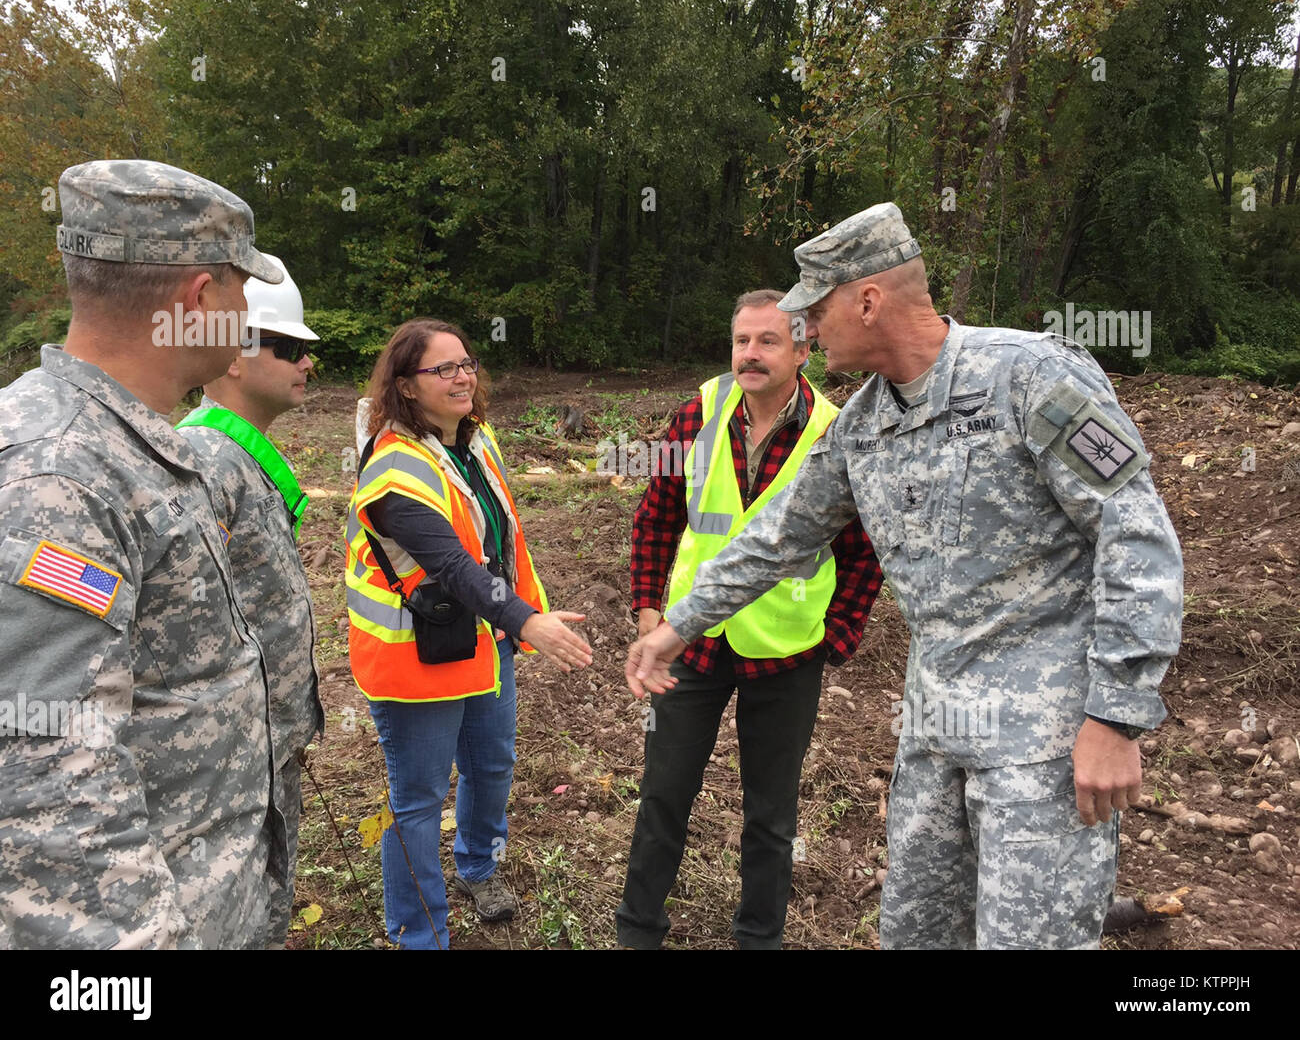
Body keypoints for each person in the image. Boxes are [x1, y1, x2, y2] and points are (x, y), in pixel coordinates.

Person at [629, 203, 1184, 950]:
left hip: (1044, 744)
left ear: (867, 300)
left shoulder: (1030, 377)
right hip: (933, 734)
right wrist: (677, 626)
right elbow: (773, 539)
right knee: (918, 933)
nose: (807, 330)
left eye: (814, 311)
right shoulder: (864, 425)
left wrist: (1117, 715)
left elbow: (1136, 535)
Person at [0, 159, 286, 949]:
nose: (243, 314)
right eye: (240, 291)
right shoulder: (55, 473)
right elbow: (49, 807)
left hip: (218, 898)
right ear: (199, 299)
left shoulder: (133, 443)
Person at [617, 290, 883, 950]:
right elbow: (656, 516)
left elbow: (864, 552)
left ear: (803, 349)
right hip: (692, 644)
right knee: (663, 795)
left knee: (771, 816)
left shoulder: (835, 431)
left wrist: (835, 637)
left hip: (787, 654)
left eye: (767, 341)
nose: (750, 354)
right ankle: (637, 931)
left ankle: (758, 938)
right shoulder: (699, 414)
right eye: (741, 341)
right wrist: (651, 616)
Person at [346, 318, 593, 950]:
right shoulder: (393, 469)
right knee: (419, 799)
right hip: (416, 661)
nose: (462, 377)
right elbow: (451, 564)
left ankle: (478, 865)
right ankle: (419, 932)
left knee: (491, 765)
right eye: (442, 369)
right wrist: (526, 619)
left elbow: (501, 546)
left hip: (484, 646)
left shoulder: (475, 444)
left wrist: (514, 625)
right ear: (405, 385)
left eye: (467, 364)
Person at [176, 254, 325, 948]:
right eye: (288, 347)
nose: (306, 363)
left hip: (265, 749)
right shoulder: (206, 461)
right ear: (234, 355)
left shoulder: (241, 456)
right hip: (227, 765)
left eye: (307, 350)